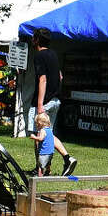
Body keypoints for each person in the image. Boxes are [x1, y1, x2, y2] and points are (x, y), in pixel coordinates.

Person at [30, 29, 78, 175]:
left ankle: (64, 158)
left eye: (33, 37)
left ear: (37, 40)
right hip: (55, 100)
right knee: (48, 135)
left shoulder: (39, 55)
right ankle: (47, 168)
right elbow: (60, 76)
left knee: (39, 136)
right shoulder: (53, 54)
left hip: (44, 102)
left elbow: (42, 79)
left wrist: (39, 105)